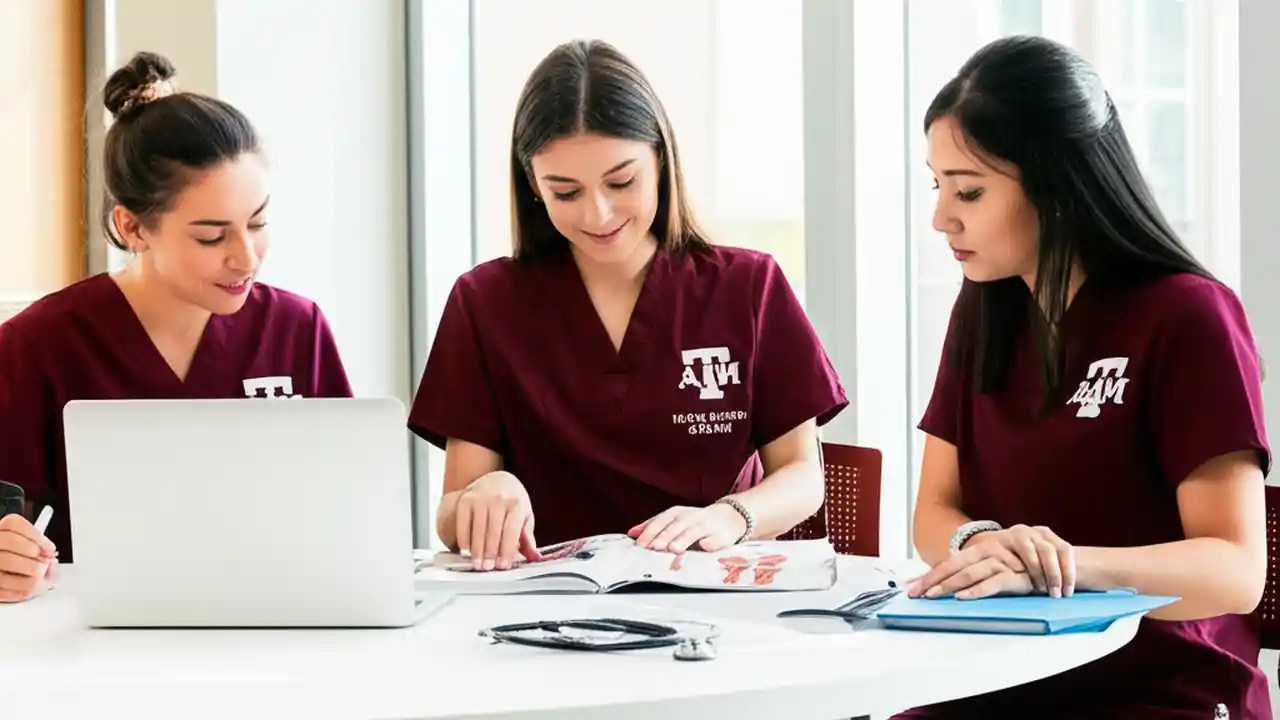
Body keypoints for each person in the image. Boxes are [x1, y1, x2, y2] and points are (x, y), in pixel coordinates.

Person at [898, 36, 1270, 719]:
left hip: (1153, 687)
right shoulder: (984, 306)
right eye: (938, 185)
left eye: (969, 191)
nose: (940, 218)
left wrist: (1055, 568)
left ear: (1057, 181)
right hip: (995, 673)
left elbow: (1235, 572)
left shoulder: (1187, 315)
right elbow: (934, 510)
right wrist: (981, 545)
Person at [409, 39, 846, 572]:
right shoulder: (484, 303)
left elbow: (803, 477)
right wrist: (486, 493)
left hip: (712, 593)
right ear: (532, 185)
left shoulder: (749, 286)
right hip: (549, 606)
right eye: (565, 192)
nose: (598, 214)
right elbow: (452, 514)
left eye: (622, 182)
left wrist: (731, 517)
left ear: (661, 160)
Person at [0, 52, 353, 601]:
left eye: (257, 222)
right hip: (91, 641)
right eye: (212, 237)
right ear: (132, 226)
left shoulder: (296, 328)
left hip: (279, 619)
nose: (246, 258)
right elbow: (10, 518)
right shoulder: (36, 346)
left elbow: (349, 507)